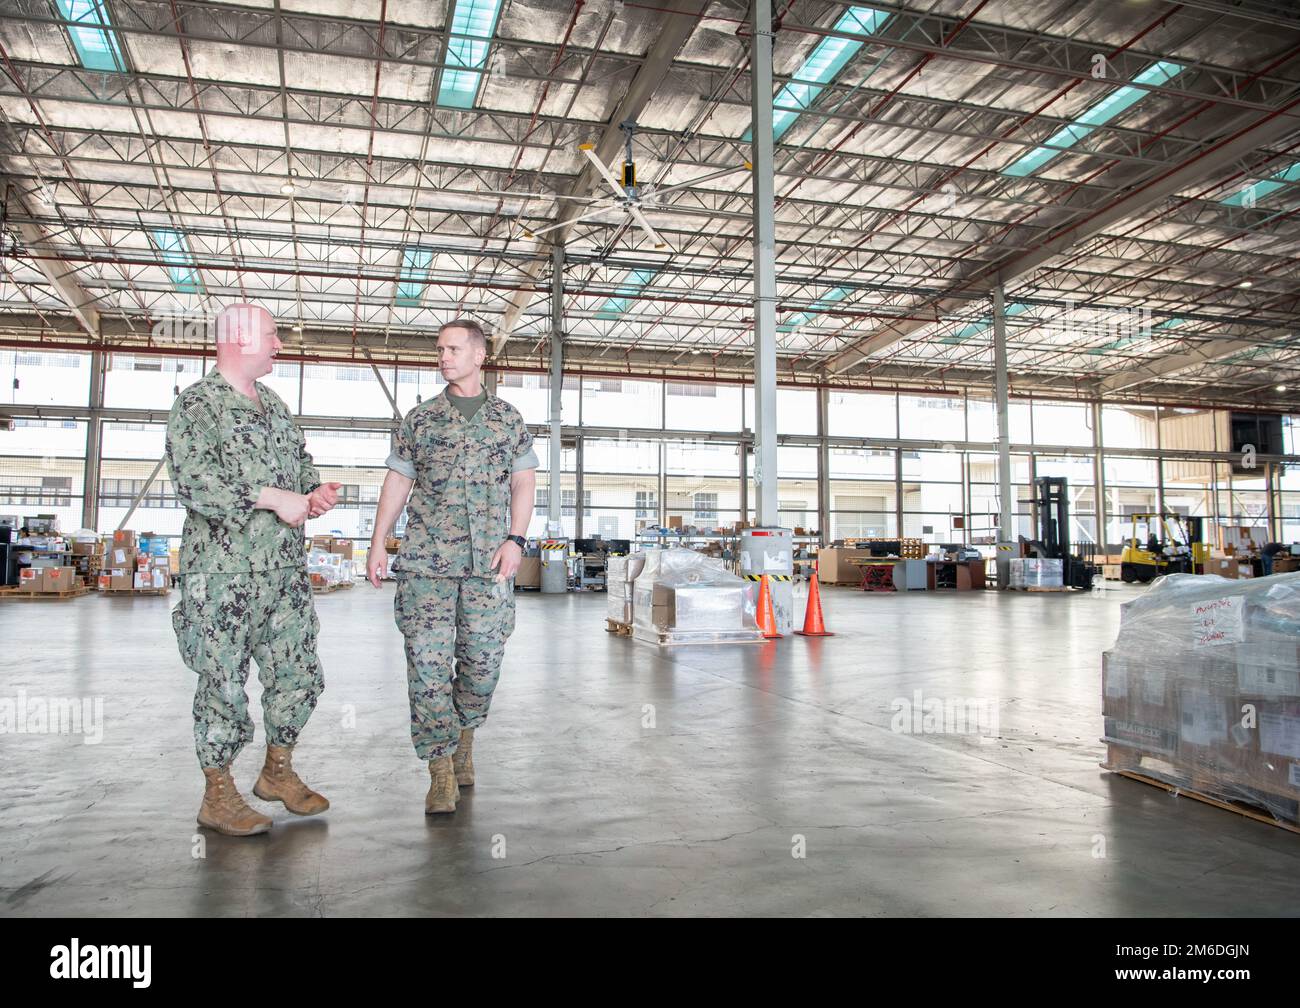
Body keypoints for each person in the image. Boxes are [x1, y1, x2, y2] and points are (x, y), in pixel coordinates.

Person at [166, 303, 343, 836]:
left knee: (299, 676)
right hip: (222, 574)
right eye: (272, 335)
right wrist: (274, 498)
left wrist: (312, 495)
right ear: (240, 338)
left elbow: (300, 464)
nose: (279, 345)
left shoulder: (274, 405)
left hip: (283, 571)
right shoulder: (198, 405)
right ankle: (217, 795)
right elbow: (194, 481)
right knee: (222, 682)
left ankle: (277, 772)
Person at [368, 319, 537, 814]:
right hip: (426, 565)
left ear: (480, 356)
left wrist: (516, 539)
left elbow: (524, 482)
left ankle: (464, 735)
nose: (443, 357)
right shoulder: (420, 420)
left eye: (454, 349)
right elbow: (397, 484)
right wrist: (380, 543)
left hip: (488, 566)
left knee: (482, 666)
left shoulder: (508, 420)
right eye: (439, 349)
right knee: (427, 668)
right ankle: (440, 767)